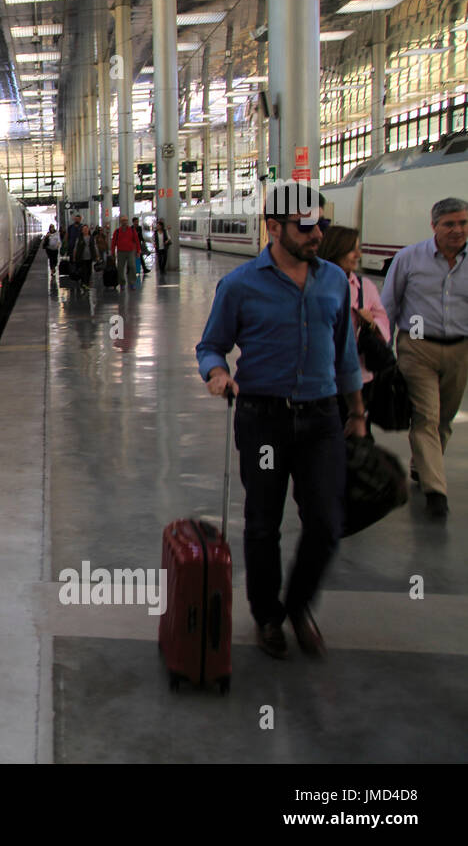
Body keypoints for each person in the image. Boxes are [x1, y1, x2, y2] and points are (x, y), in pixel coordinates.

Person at [196, 182, 365, 661]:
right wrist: (217, 372)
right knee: (263, 523)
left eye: (322, 225)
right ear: (274, 228)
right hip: (262, 419)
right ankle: (268, 615)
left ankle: (299, 604)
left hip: (321, 418)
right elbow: (211, 344)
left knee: (327, 523)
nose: (318, 235)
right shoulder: (241, 284)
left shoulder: (333, 280)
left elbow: (345, 355)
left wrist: (357, 413)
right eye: (307, 226)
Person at [379, 197, 468, 519]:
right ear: (434, 227)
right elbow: (388, 305)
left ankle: (423, 465)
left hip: (460, 349)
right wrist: (382, 349)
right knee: (426, 417)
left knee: (444, 418)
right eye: (449, 224)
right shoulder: (409, 259)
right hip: (417, 347)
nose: (457, 230)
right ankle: (436, 491)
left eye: (463, 223)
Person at [318, 225, 391, 427]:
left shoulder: (365, 286)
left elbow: (385, 326)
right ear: (336, 249)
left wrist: (371, 323)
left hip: (359, 378)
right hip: (320, 379)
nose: (358, 255)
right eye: (352, 249)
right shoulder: (313, 283)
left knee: (356, 444)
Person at [111, 217, 140, 290]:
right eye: (123, 221)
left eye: (126, 220)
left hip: (130, 251)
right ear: (120, 222)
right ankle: (122, 283)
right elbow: (113, 243)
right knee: (120, 268)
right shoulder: (117, 231)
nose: (124, 222)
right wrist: (112, 253)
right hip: (121, 252)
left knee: (132, 266)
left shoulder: (132, 230)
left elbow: (137, 241)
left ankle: (132, 282)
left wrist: (138, 251)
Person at [71, 224, 98, 292]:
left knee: (89, 271)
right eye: (84, 229)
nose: (85, 230)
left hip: (90, 257)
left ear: (88, 230)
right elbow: (76, 247)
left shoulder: (91, 238)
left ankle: (87, 283)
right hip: (81, 257)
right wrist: (74, 256)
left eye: (86, 229)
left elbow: (95, 246)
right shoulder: (79, 238)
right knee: (83, 271)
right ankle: (84, 283)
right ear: (82, 231)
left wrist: (97, 255)